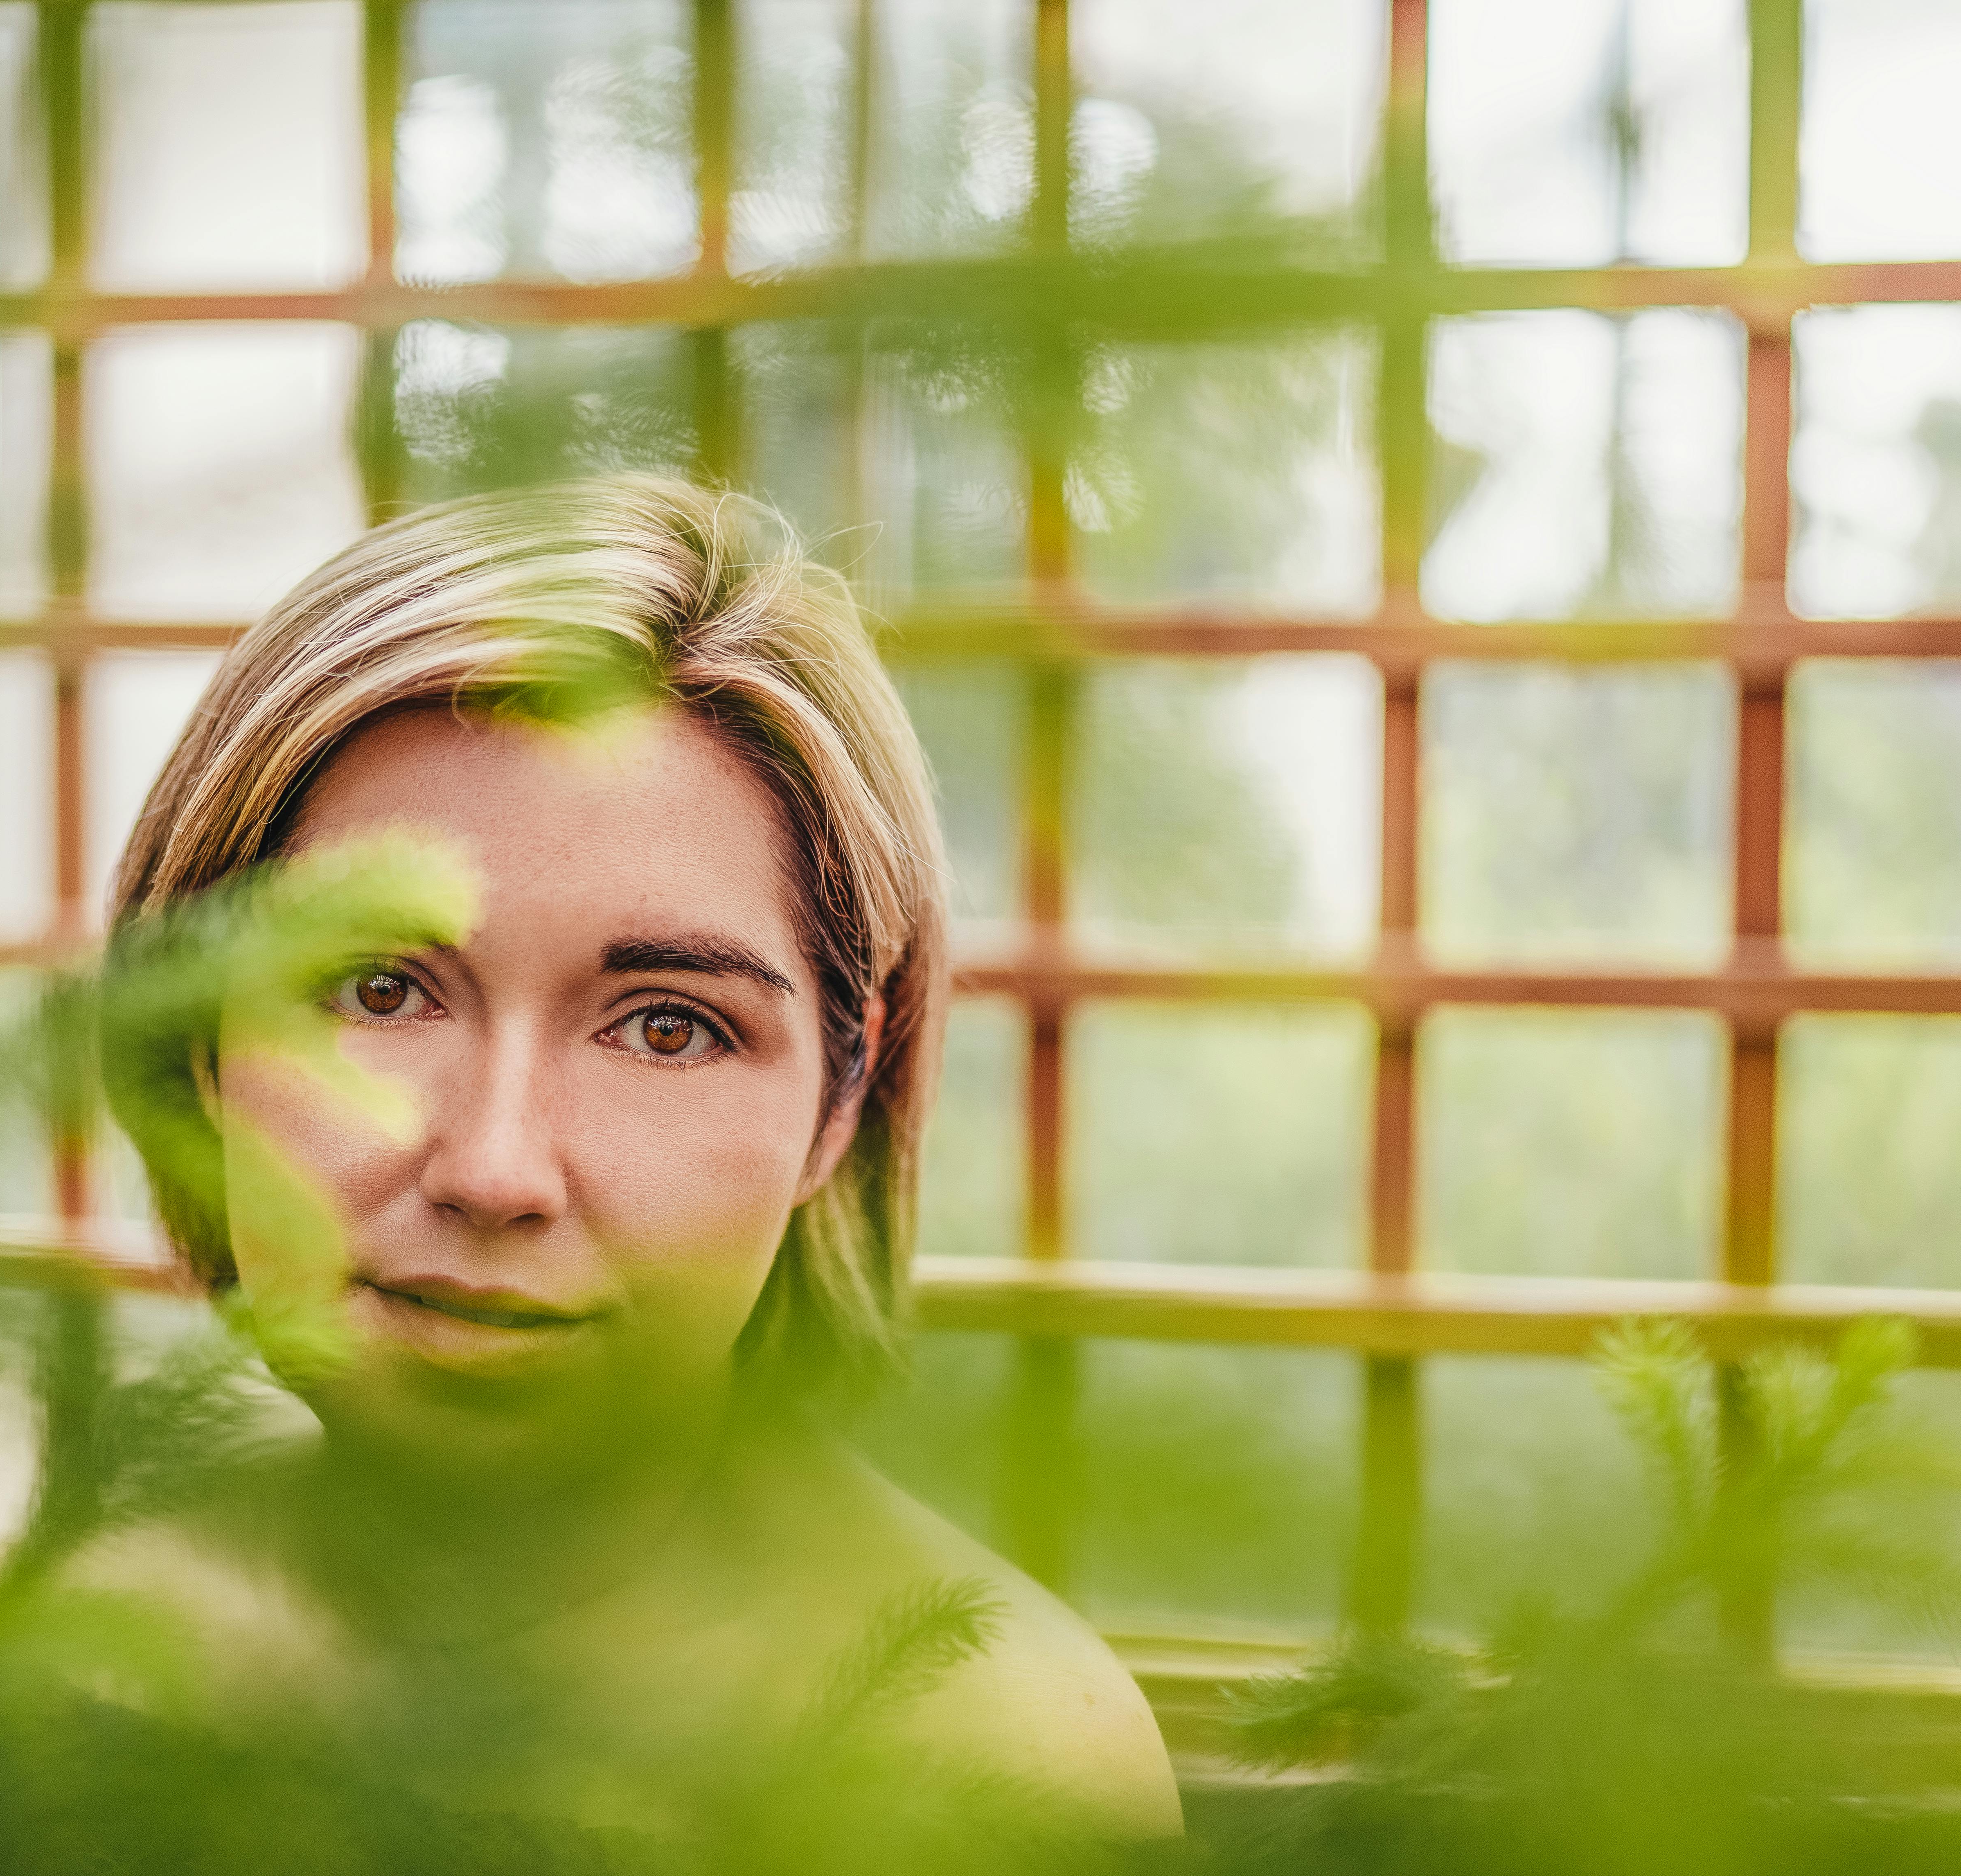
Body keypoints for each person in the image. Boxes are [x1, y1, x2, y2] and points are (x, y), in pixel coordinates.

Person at [80, 475, 1177, 1848]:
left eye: (668, 1027)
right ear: (197, 1040)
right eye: (375, 989)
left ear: (846, 1095)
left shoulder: (984, 1762)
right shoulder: (82, 1656)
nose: (493, 1167)